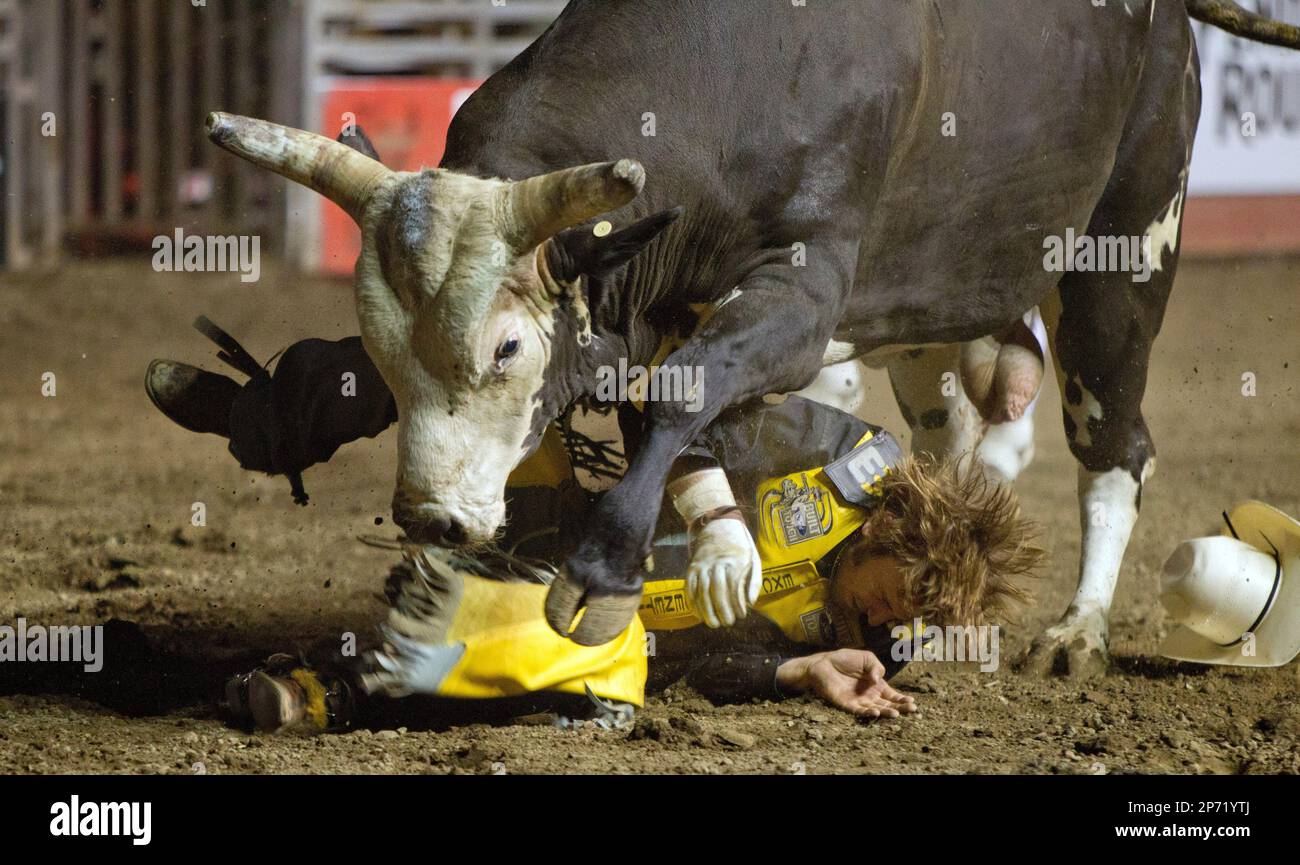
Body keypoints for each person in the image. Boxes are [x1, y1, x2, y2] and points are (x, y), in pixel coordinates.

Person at [148, 320, 1044, 732]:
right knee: (476, 365)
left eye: (904, 629)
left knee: (600, 677)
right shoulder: (849, 463)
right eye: (887, 601)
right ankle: (262, 415)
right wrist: (718, 516)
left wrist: (794, 668)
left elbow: (707, 671)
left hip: (593, 602)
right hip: (583, 454)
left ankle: (328, 689)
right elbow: (698, 406)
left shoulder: (879, 646)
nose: (886, 630)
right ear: (888, 530)